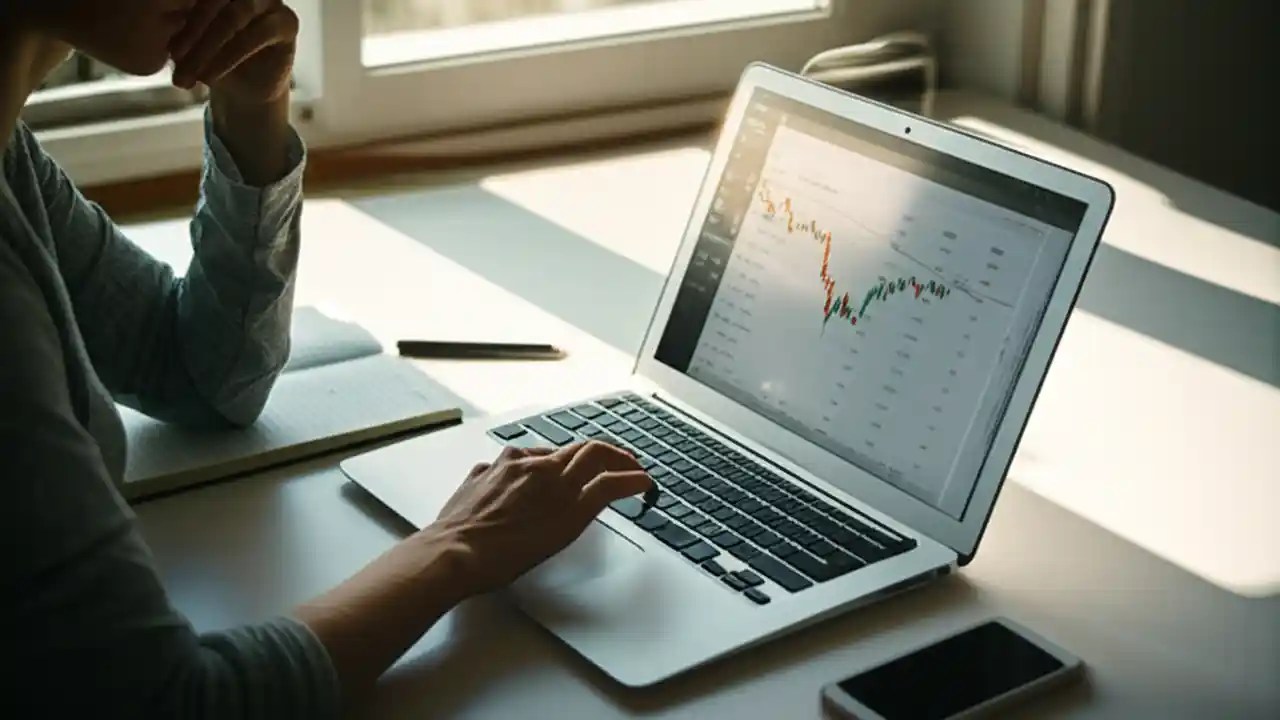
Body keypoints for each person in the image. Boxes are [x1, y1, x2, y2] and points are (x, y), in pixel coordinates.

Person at [1, 1, 651, 716]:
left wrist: (254, 110)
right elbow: (169, 703)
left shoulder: (10, 156)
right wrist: (460, 544)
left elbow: (202, 374)